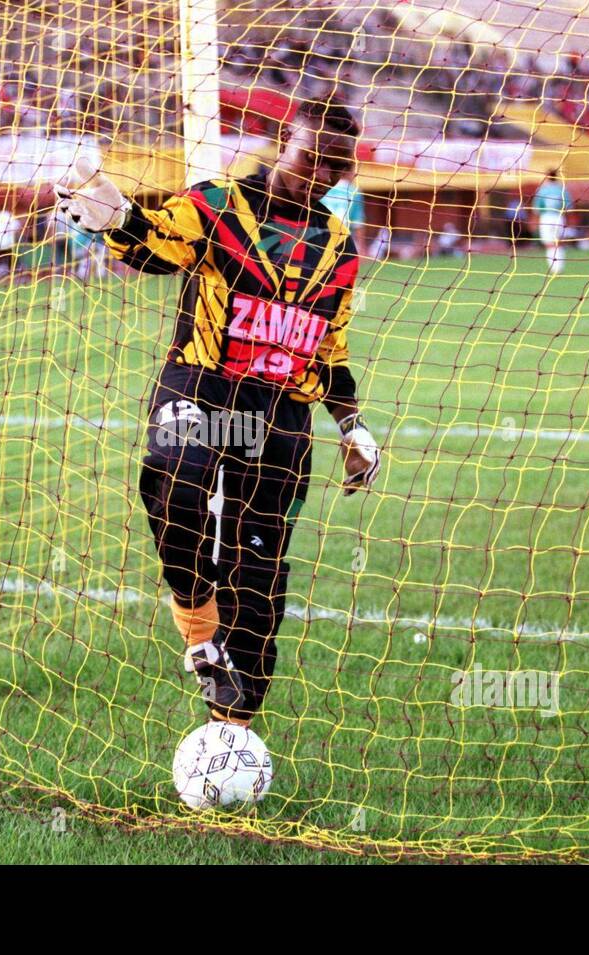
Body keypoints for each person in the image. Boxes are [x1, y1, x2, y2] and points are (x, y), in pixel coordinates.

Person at [54, 98, 382, 728]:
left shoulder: (339, 246)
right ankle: (197, 615)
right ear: (285, 142)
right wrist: (113, 214)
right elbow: (155, 245)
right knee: (175, 484)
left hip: (279, 410)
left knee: (258, 568)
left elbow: (329, 349)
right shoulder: (218, 204)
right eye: (312, 157)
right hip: (202, 384)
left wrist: (352, 424)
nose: (321, 175)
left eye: (337, 167)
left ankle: (234, 723)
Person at [532, 169, 572, 274]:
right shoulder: (561, 189)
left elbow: (536, 209)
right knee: (558, 242)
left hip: (546, 218)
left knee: (549, 243)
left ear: (547, 177)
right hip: (559, 217)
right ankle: (559, 267)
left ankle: (553, 267)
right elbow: (568, 206)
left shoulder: (542, 190)